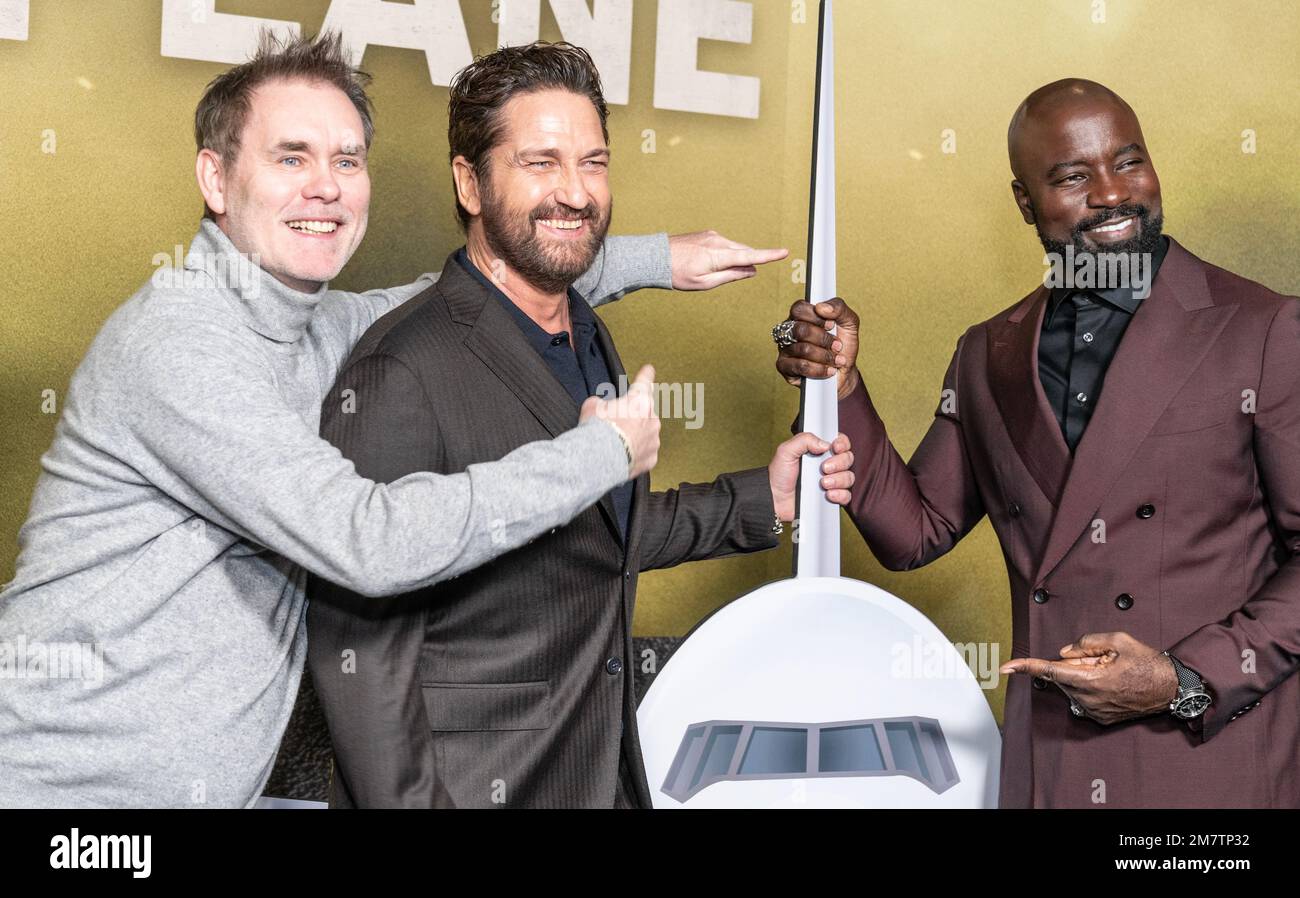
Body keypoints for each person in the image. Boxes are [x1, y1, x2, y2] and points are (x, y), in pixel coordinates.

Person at [0, 31, 784, 809]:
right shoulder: (179, 341)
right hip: (63, 794)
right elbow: (366, 543)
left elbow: (471, 286)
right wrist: (599, 452)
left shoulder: (318, 326)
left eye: (347, 161)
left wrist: (653, 258)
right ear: (216, 176)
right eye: (290, 157)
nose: (326, 186)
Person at [306, 41, 855, 809]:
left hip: (599, 775)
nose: (575, 193)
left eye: (593, 163)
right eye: (540, 163)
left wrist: (760, 499)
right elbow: (360, 656)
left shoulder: (585, 333)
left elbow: (592, 542)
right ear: (470, 182)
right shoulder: (400, 370)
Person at [775, 78, 1300, 808]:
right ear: (1026, 202)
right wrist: (843, 384)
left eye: (1130, 161)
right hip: (1049, 765)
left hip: (1210, 767)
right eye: (1074, 176)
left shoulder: (1264, 329)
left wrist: (1183, 680)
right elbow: (915, 533)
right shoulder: (988, 353)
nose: (1114, 194)